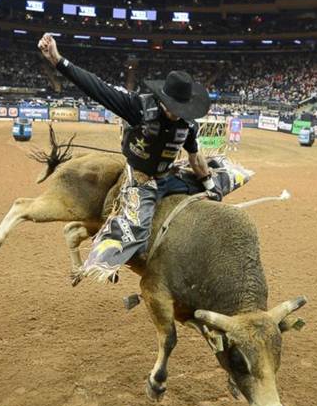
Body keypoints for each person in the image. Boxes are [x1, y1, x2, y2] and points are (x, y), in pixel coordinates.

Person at [38, 33, 223, 284]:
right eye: (174, 108)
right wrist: (58, 60)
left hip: (168, 176)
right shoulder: (138, 107)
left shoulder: (187, 126)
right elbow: (97, 87)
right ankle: (107, 255)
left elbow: (195, 157)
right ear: (162, 99)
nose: (177, 114)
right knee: (139, 230)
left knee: (220, 178)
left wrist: (210, 185)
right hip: (141, 179)